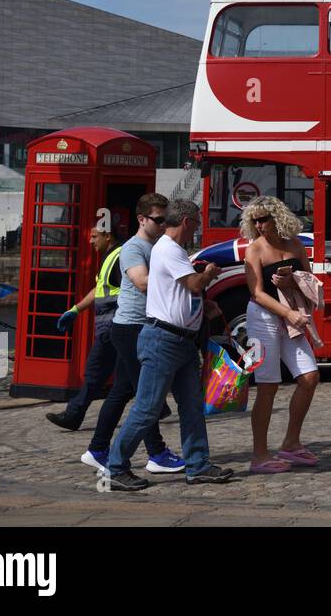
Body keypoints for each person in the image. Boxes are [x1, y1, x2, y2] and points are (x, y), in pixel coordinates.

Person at [105, 199, 233, 490]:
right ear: (186, 222)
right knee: (147, 408)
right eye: (197, 223)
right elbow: (194, 284)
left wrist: (203, 305)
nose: (198, 228)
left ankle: (198, 465)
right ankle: (115, 467)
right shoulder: (170, 248)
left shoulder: (170, 250)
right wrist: (210, 274)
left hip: (180, 340)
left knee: (191, 406)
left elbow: (177, 292)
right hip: (163, 339)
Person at [78, 194, 184, 474]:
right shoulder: (133, 248)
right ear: (141, 219)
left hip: (139, 325)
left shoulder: (159, 245)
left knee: (122, 391)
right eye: (158, 220)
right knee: (146, 396)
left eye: (166, 220)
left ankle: (97, 448)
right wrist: (180, 275)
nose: (163, 225)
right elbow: (141, 283)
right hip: (131, 328)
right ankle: (157, 454)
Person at [240, 196, 321, 474]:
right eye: (255, 220)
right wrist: (288, 314)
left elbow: (310, 282)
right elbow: (257, 293)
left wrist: (293, 281)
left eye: (264, 219)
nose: (260, 225)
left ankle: (291, 442)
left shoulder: (296, 245)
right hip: (264, 318)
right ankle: (259, 455)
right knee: (268, 385)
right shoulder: (255, 250)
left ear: (278, 217)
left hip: (292, 315)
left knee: (310, 377)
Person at [46, 219, 129, 431]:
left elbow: (132, 290)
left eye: (94, 236)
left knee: (94, 373)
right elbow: (100, 289)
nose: (90, 241)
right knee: (128, 372)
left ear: (107, 236)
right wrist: (76, 309)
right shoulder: (109, 257)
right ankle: (159, 408)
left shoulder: (119, 258)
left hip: (113, 326)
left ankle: (74, 415)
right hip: (110, 327)